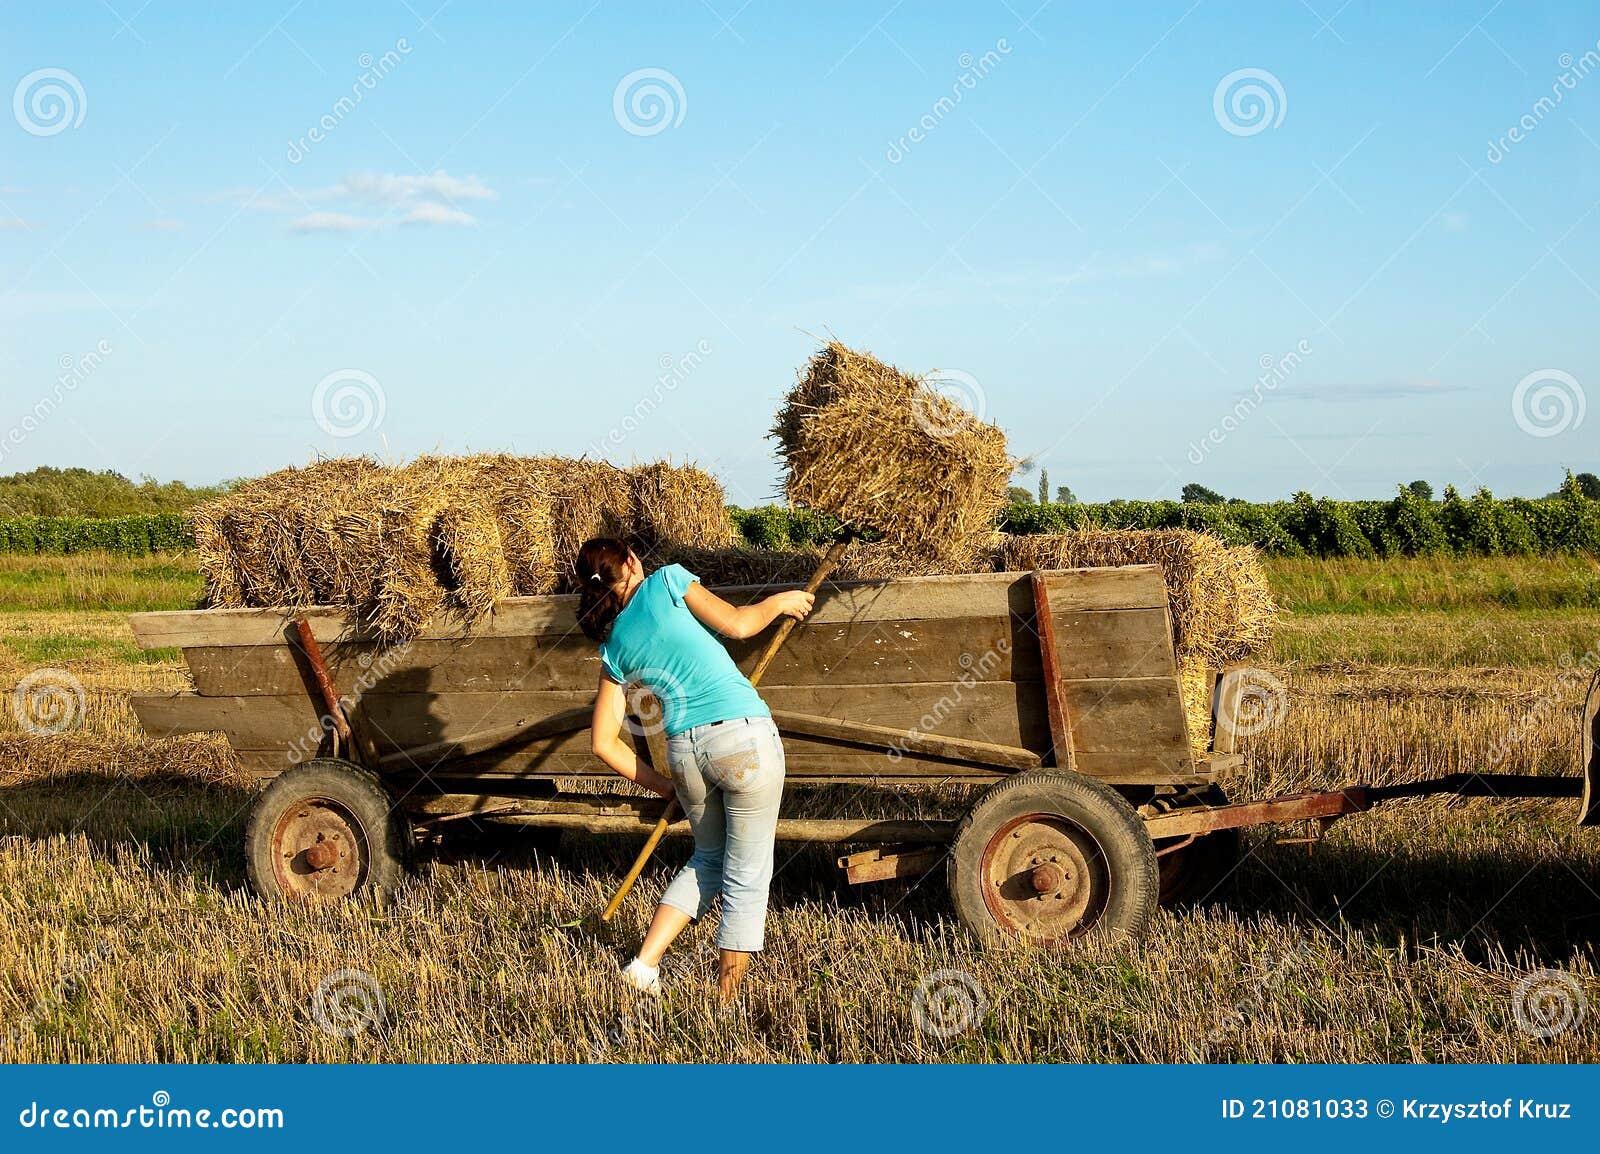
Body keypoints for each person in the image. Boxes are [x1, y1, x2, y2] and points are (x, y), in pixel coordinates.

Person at [575, 537, 813, 1000]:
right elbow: (741, 626)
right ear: (631, 560)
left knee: (708, 859)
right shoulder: (667, 581)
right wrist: (781, 601)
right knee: (747, 872)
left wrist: (663, 785)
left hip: (684, 752)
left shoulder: (614, 647)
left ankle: (643, 966)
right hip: (742, 738)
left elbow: (603, 743)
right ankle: (726, 1003)